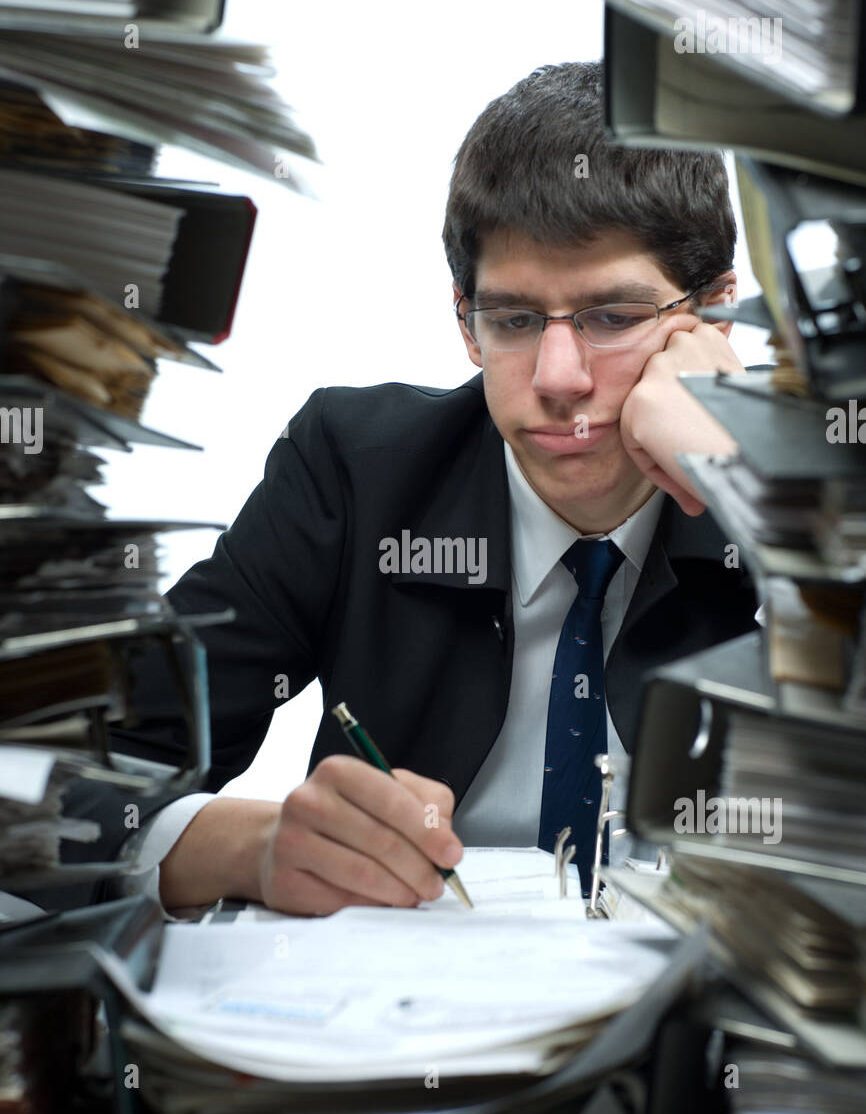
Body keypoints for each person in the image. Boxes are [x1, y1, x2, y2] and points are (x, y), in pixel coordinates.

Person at [57, 60, 758, 918]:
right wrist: (248, 847)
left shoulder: (797, 501)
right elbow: (63, 779)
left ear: (715, 316)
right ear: (464, 319)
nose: (558, 377)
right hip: (402, 1018)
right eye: (513, 320)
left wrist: (750, 482)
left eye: (612, 318)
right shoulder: (358, 470)